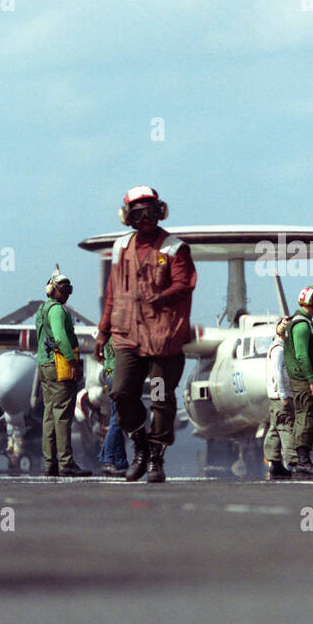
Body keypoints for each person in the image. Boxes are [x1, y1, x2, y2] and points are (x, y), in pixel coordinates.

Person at [95, 186, 196, 484]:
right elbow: (112, 294)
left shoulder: (175, 248)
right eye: (138, 213)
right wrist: (103, 333)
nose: (145, 219)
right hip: (127, 335)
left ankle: (156, 458)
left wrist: (161, 298)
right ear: (127, 217)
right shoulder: (119, 247)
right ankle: (139, 445)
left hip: (165, 337)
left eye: (151, 211)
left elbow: (185, 283)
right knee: (121, 392)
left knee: (161, 398)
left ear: (160, 211)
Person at [37, 268, 89, 477]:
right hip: (59, 366)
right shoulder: (57, 311)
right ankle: (66, 462)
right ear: (53, 289)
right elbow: (60, 338)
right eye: (63, 288)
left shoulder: (42, 310)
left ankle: (50, 463)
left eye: (69, 288)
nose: (67, 293)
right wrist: (73, 364)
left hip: (44, 365)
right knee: (63, 415)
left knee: (49, 415)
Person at [283, 287, 313, 479]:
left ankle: (299, 461)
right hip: (304, 381)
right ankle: (303, 462)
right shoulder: (302, 325)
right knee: (307, 416)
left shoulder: (303, 323)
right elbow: (302, 356)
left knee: (306, 415)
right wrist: (312, 381)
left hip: (304, 379)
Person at [262, 317, 295, 480]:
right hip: (280, 396)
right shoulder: (279, 349)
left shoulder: (279, 347)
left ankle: (275, 463)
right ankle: (294, 463)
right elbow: (277, 374)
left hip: (277, 396)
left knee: (275, 429)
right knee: (286, 427)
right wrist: (283, 395)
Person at [96, 341, 129, 477]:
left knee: (118, 417)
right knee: (118, 418)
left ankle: (120, 461)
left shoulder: (108, 333)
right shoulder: (119, 333)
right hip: (119, 376)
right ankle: (108, 460)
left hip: (110, 374)